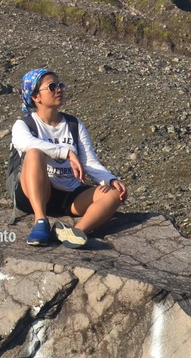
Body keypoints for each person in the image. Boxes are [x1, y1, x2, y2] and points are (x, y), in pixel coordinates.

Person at [9, 68, 127, 248]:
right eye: (52, 86)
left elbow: (89, 161)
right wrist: (66, 153)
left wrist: (109, 179)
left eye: (60, 85)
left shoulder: (74, 124)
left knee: (115, 194)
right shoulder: (25, 125)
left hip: (71, 195)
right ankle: (40, 220)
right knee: (34, 152)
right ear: (35, 96)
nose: (59, 89)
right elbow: (24, 143)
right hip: (36, 192)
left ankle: (74, 232)